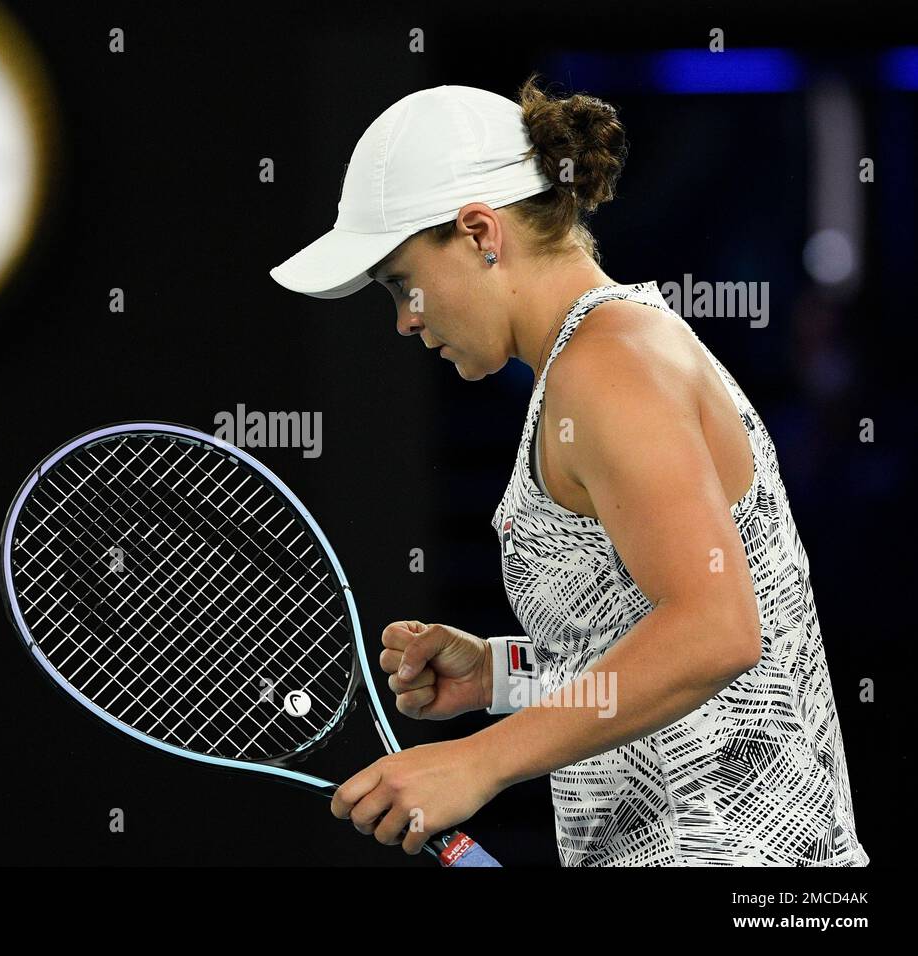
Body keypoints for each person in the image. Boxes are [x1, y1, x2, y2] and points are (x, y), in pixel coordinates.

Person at [268, 78, 868, 866]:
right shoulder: (609, 351)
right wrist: (501, 674)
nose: (405, 319)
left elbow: (716, 633)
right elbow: (666, 656)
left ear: (480, 233)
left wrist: (478, 762)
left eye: (399, 283)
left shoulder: (608, 366)